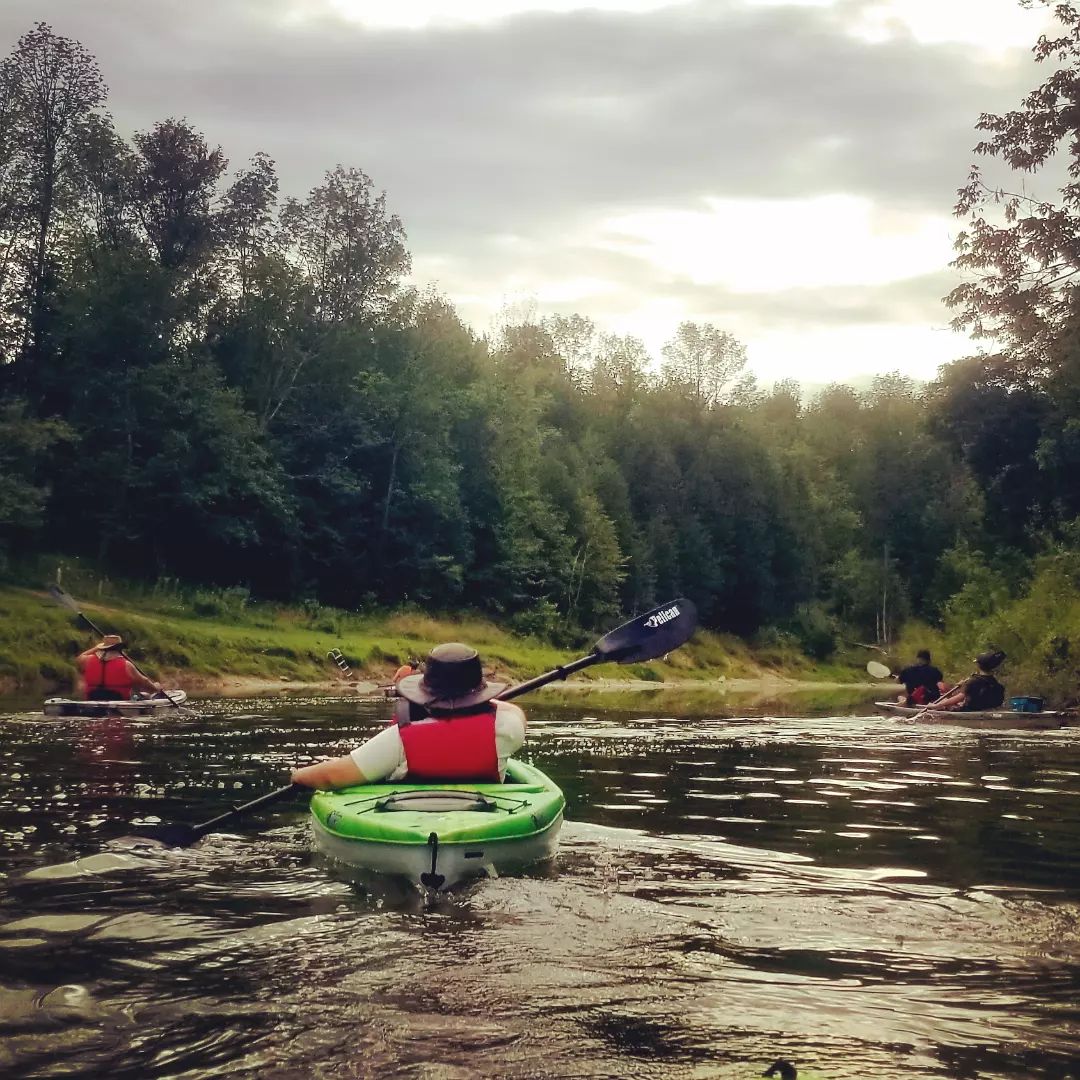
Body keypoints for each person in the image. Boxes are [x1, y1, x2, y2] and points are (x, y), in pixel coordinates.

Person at [292, 642, 527, 789]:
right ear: (480, 694)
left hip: (411, 818)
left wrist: (298, 775)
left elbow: (331, 777)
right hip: (485, 818)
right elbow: (516, 712)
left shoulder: (399, 739)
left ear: (426, 694)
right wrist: (488, 702)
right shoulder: (507, 729)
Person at [76, 635, 164, 701]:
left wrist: (96, 648)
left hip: (92, 698)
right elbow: (144, 681)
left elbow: (81, 656)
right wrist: (156, 688)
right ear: (120, 648)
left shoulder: (87, 660)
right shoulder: (127, 665)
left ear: (102, 647)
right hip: (118, 700)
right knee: (145, 695)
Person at [934, 651, 1007, 712]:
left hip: (971, 710)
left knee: (945, 701)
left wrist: (937, 705)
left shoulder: (973, 681)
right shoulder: (995, 682)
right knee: (949, 702)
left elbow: (960, 697)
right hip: (985, 710)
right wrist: (963, 686)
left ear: (978, 665)